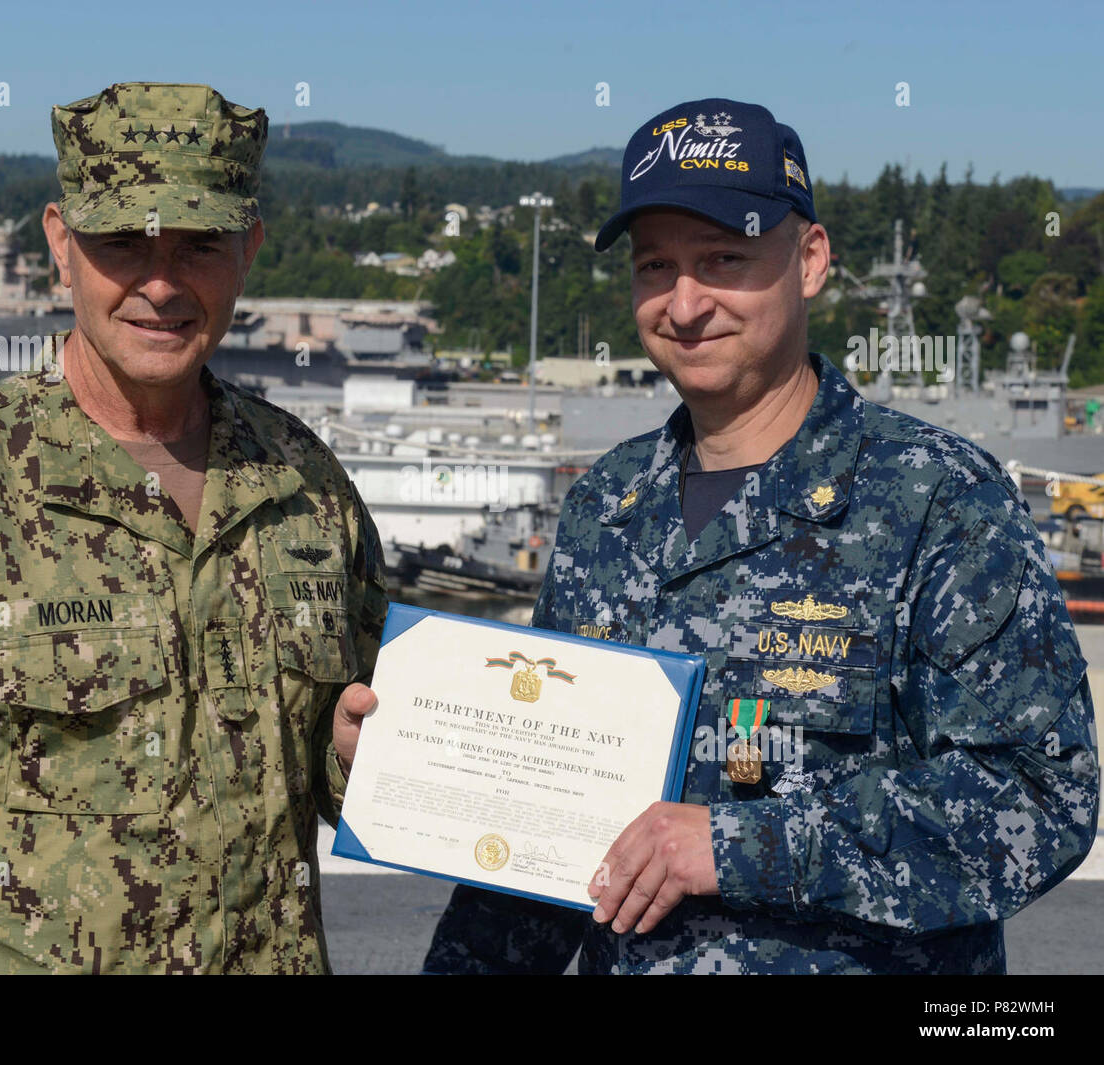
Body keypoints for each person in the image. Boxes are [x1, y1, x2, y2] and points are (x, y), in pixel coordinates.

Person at [423, 98, 1099, 974]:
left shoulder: (941, 502)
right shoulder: (606, 510)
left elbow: (1040, 798)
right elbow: (541, 838)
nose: (686, 302)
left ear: (809, 260)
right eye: (656, 266)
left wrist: (743, 844)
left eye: (724, 259)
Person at [0, 82, 386, 973]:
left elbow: (339, 775)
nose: (162, 282)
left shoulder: (307, 491)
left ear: (250, 249)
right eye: (123, 243)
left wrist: (358, 762)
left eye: (200, 244)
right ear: (60, 245)